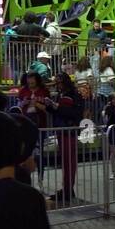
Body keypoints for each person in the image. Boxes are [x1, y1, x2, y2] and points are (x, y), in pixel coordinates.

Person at [46, 73, 84, 203]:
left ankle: (67, 190)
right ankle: (68, 188)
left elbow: (74, 113)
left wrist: (57, 107)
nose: (58, 85)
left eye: (59, 82)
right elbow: (58, 112)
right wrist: (50, 106)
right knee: (66, 161)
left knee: (69, 161)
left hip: (69, 130)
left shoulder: (74, 94)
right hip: (61, 130)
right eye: (57, 83)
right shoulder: (61, 94)